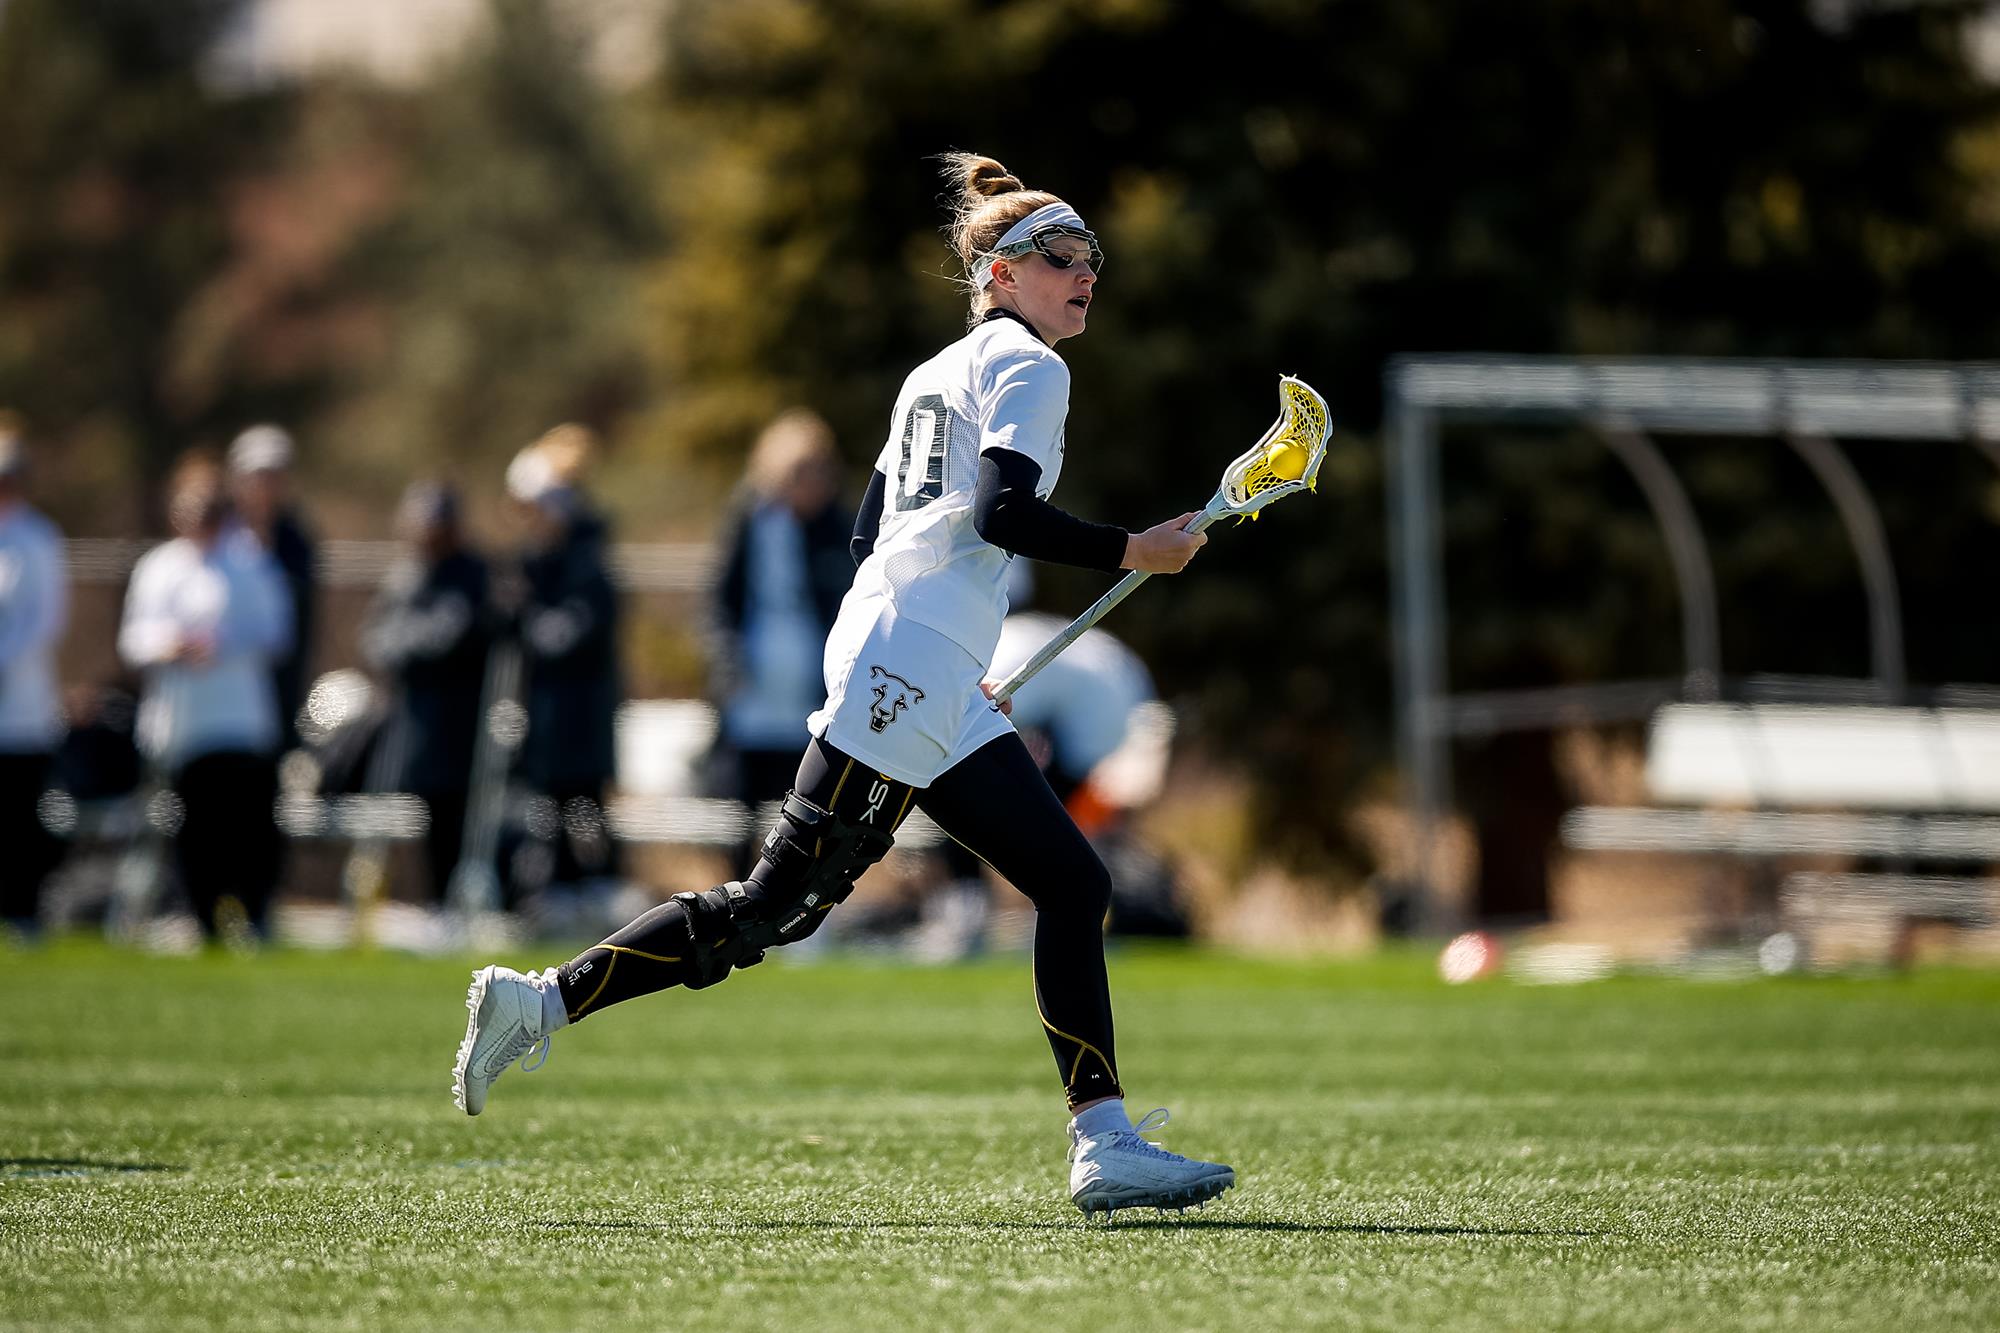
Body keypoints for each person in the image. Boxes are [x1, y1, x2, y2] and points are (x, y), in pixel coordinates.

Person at [452, 154, 1234, 1217]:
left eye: (1089, 255)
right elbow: (1003, 514)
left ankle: (1100, 1137)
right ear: (1000, 275)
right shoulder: (1030, 368)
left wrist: (947, 664)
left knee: (1071, 882)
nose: (1081, 270)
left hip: (917, 668)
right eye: (1057, 255)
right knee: (771, 911)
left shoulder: (934, 371)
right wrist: (1129, 550)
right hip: (908, 669)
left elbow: (876, 532)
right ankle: (536, 1002)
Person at [119, 452, 292, 940]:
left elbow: (275, 632)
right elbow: (134, 639)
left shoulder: (250, 563)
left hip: (238, 720)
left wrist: (222, 645)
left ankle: (253, 915)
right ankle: (200, 916)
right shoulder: (158, 567)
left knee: (246, 824)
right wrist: (170, 646)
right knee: (194, 829)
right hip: (184, 723)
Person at [710, 409, 853, 865]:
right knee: (744, 785)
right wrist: (726, 660)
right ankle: (736, 883)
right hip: (756, 665)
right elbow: (721, 597)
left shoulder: (836, 526)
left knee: (807, 779)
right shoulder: (750, 520)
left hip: (810, 664)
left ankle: (798, 881)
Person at [504, 427, 622, 898]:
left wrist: (529, 625)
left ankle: (597, 887)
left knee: (584, 807)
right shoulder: (534, 560)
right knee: (547, 807)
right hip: (545, 714)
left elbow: (572, 630)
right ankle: (554, 888)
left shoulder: (587, 557)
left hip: (579, 712)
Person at [359, 482, 491, 902]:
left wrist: (406, 646)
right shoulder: (407, 574)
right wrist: (403, 647)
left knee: (456, 813)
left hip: (458, 722)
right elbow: (376, 637)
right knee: (427, 814)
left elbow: (445, 635)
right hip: (411, 721)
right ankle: (430, 901)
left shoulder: (472, 573)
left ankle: (453, 901)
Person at [0, 429, 68, 937]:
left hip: (20, 705)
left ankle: (22, 912)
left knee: (20, 816)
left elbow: (45, 619)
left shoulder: (38, 538)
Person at [228, 426, 317, 752]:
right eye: (258, 476)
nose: (264, 486)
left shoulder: (297, 538)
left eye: (274, 476)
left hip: (276, 684)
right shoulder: (219, 532)